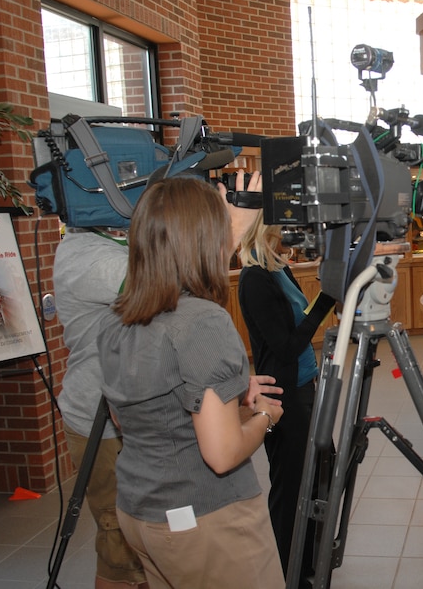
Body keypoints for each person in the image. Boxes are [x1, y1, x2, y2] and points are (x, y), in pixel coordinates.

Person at [97, 173, 286, 589]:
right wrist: (265, 417)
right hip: (205, 522)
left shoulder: (116, 320)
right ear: (206, 241)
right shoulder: (203, 322)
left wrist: (228, 395)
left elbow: (140, 416)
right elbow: (221, 454)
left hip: (141, 514)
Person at [237, 215, 335, 585]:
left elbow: (301, 320)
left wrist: (320, 305)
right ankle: (287, 569)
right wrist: (326, 302)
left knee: (320, 470)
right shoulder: (255, 280)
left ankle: (307, 560)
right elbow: (287, 344)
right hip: (282, 395)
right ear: (271, 232)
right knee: (291, 485)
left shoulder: (279, 268)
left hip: (304, 386)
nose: (295, 241)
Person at [53, 226, 149, 589]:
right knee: (119, 547)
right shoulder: (85, 252)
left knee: (150, 542)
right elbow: (162, 288)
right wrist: (226, 234)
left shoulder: (127, 242)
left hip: (136, 416)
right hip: (100, 422)